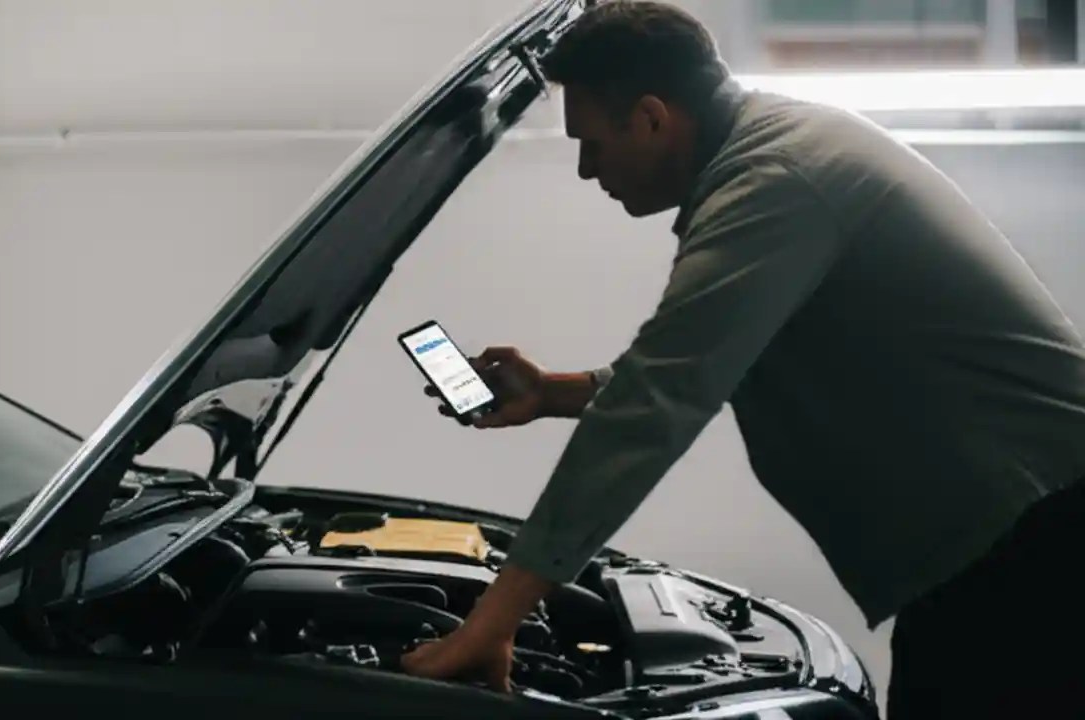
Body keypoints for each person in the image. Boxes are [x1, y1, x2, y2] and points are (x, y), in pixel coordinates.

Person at [398, 1, 1085, 717]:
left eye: (592, 143)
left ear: (653, 119)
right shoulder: (773, 153)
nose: (582, 169)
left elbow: (654, 407)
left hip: (1037, 544)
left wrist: (491, 623)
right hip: (1003, 540)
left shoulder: (776, 183)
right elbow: (691, 362)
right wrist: (553, 392)